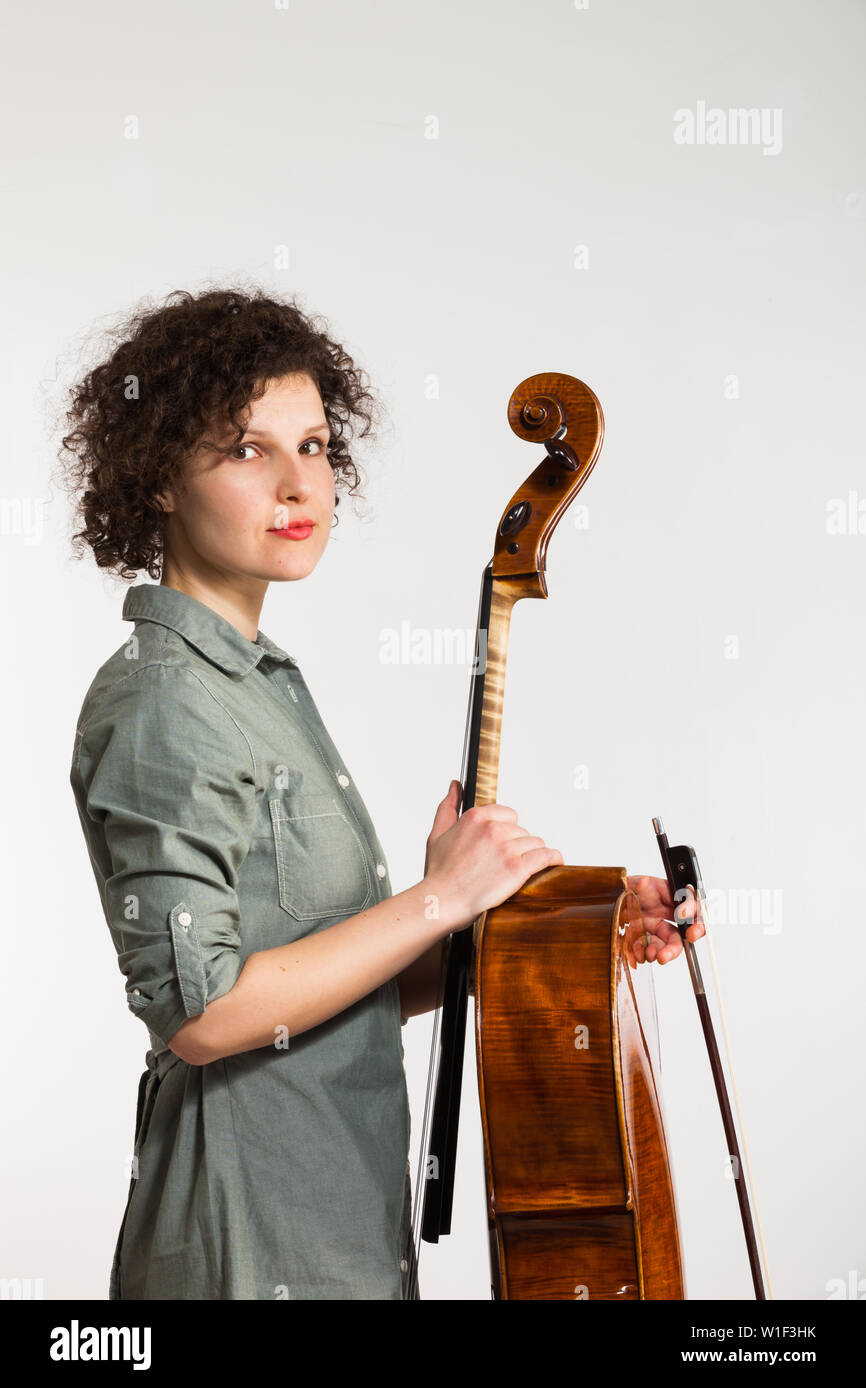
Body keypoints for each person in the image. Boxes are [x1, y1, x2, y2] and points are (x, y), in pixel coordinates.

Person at [60, 286, 703, 1300]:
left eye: (312, 446)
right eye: (244, 449)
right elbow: (205, 1011)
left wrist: (556, 932)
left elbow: (331, 996)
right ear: (158, 483)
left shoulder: (262, 686)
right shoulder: (163, 701)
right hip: (248, 1240)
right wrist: (435, 899)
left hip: (340, 1230)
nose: (293, 481)